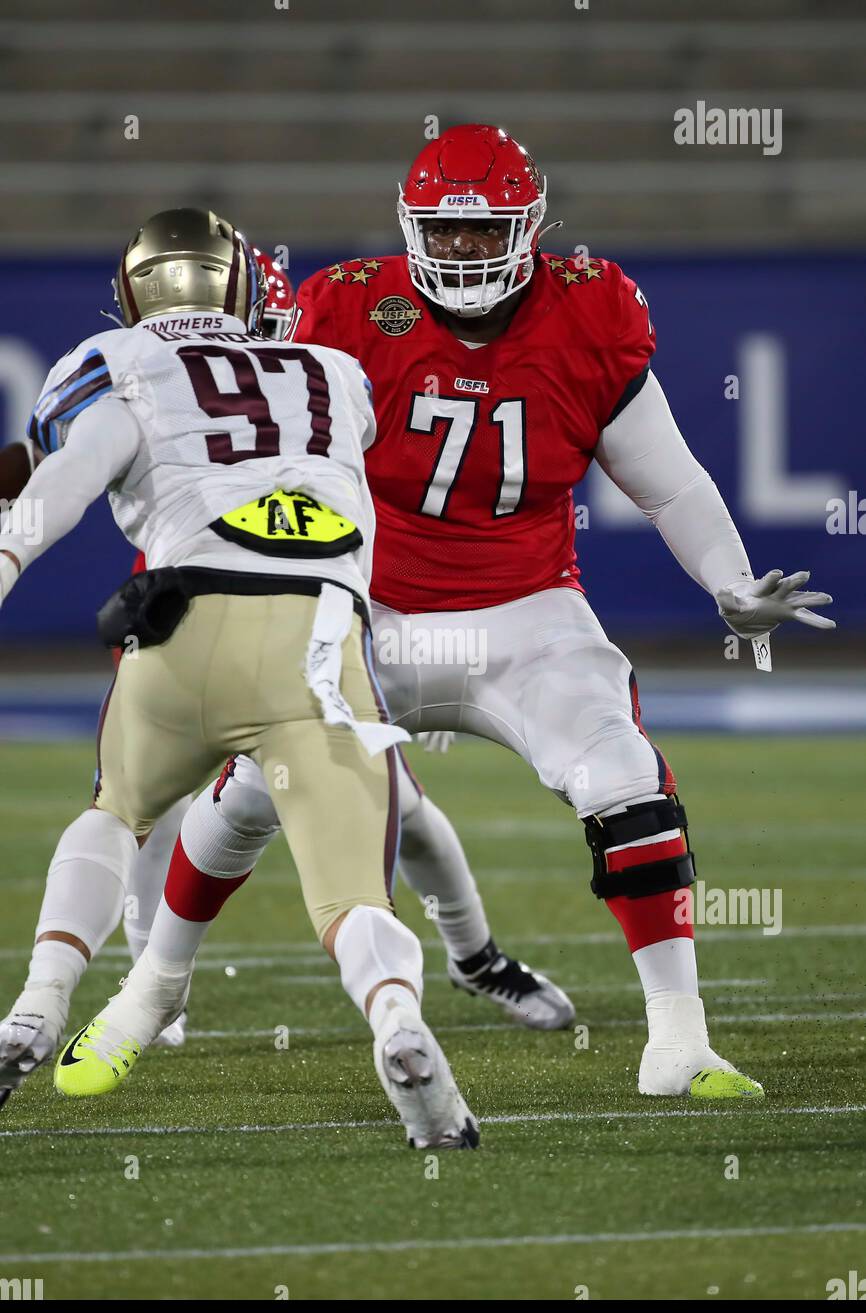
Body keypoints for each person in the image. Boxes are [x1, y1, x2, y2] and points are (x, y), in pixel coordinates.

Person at [161, 125, 835, 1099]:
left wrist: (726, 585)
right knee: (250, 790)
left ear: (527, 228)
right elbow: (265, 454)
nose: (464, 252)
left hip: (527, 616)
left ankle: (677, 1039)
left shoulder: (588, 311)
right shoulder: (349, 306)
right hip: (370, 612)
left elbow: (670, 486)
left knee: (624, 772)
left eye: (484, 233)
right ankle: (155, 988)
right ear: (409, 228)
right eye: (444, 231)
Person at [0, 206, 478, 1149]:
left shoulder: (116, 360)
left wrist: (7, 561)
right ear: (250, 288)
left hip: (183, 629)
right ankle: (395, 1020)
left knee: (115, 814)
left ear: (134, 294)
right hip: (318, 643)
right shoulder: (334, 373)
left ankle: (38, 1002)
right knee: (353, 901)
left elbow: (70, 469)